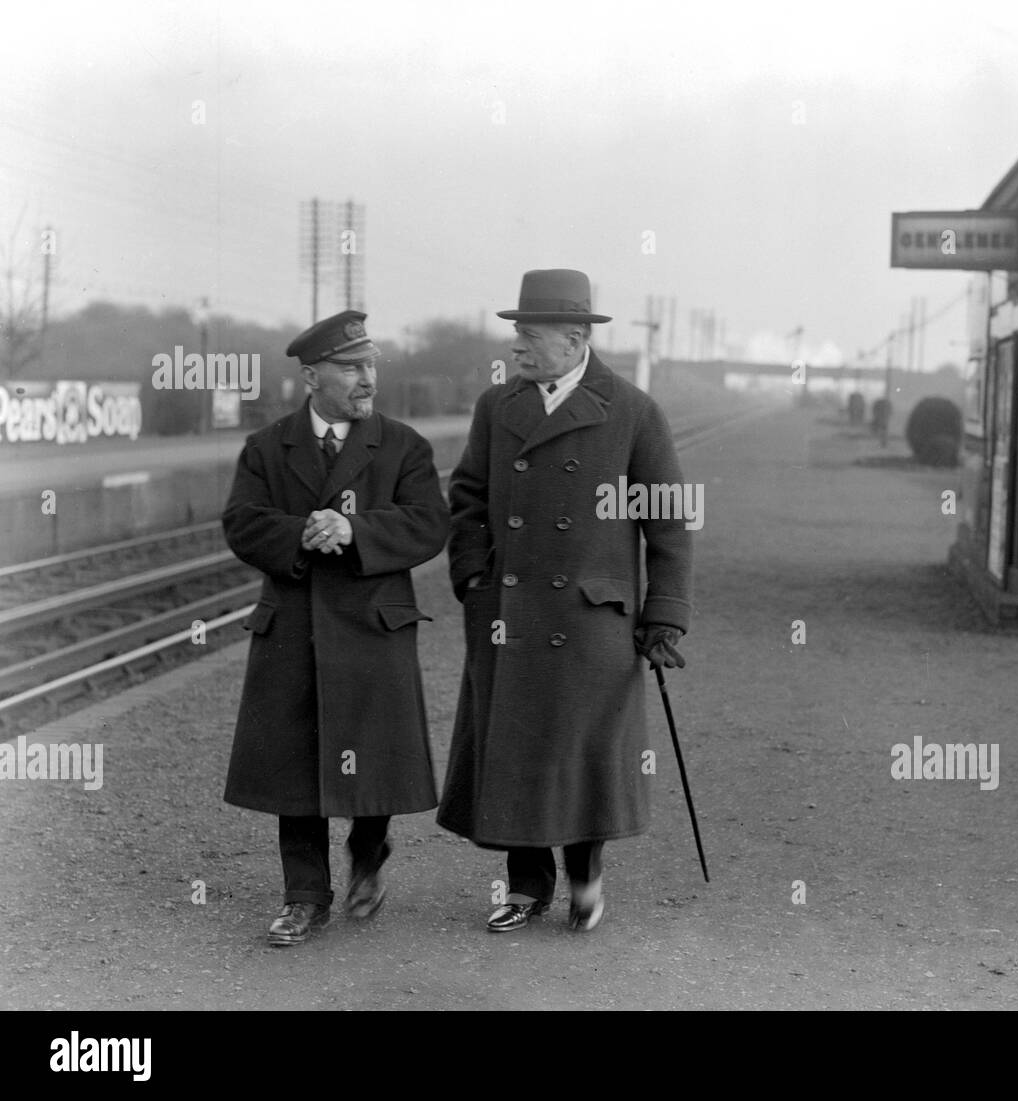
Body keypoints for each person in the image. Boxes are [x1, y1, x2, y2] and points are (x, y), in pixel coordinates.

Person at [438, 269, 693, 933]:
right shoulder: (497, 407)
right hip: (508, 611)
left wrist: (664, 614)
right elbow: (466, 496)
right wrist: (472, 575)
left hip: (590, 617)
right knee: (515, 745)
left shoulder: (633, 411)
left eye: (530, 330)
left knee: (583, 749)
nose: (517, 341)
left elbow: (667, 522)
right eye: (516, 329)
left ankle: (585, 879)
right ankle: (525, 887)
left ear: (575, 337)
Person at [222, 309, 450, 946]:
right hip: (292, 629)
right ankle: (303, 898)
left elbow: (429, 524)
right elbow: (241, 523)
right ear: (311, 377)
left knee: (372, 759)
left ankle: (370, 849)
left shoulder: (404, 445)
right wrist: (300, 532)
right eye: (351, 367)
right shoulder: (267, 447)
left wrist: (356, 531)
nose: (367, 378)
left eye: (371, 364)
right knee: (293, 767)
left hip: (373, 627)